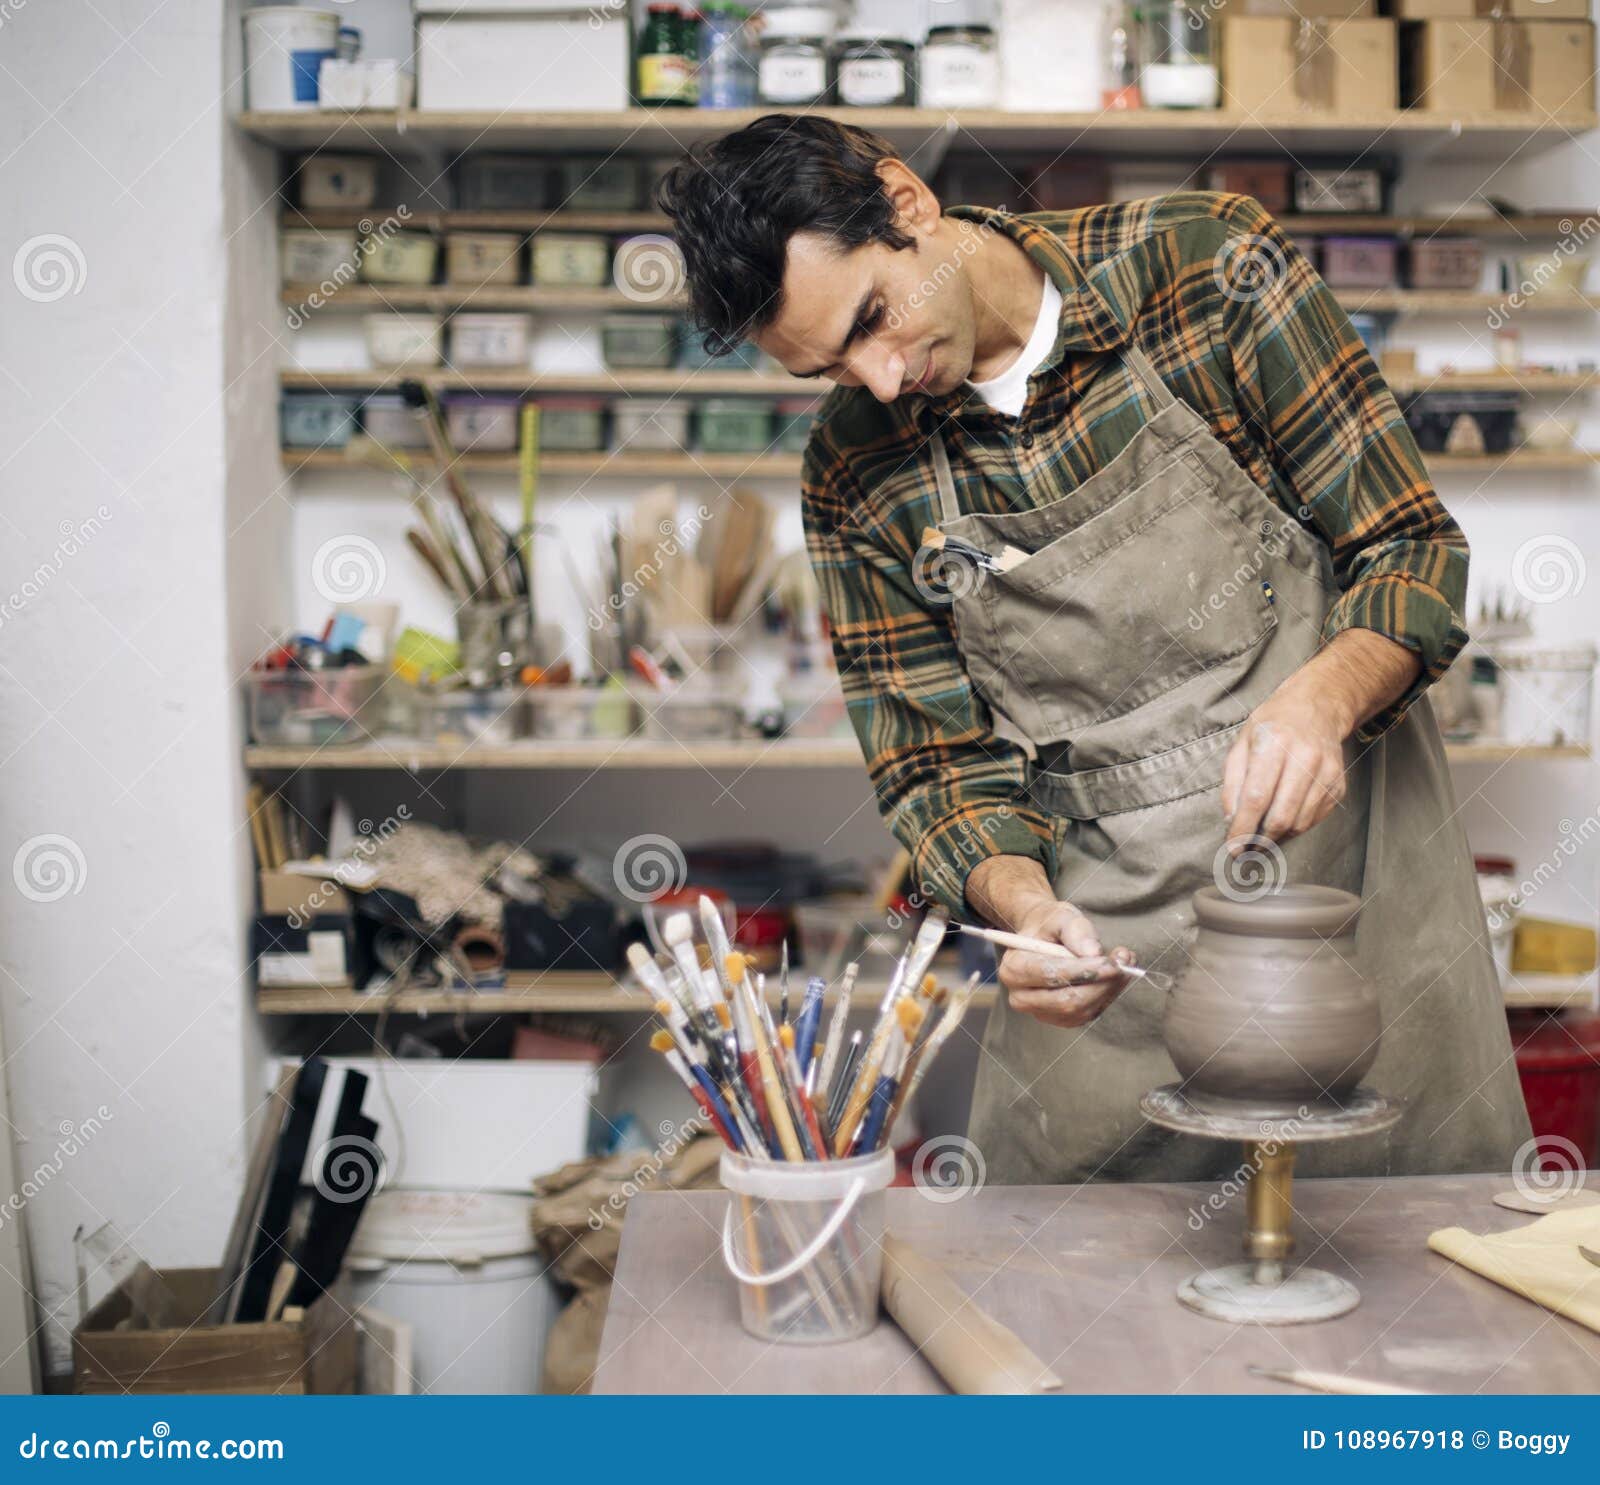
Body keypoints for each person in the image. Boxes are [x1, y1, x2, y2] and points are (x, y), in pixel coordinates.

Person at [658, 115, 1529, 1183]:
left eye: (873, 319)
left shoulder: (1206, 273)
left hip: (1356, 892)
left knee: (1408, 1263)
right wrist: (1022, 912)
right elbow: (936, 766)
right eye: (829, 366)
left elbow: (1408, 544)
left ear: (905, 202)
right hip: (1105, 950)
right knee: (1071, 1301)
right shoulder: (856, 467)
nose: (879, 380)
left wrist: (1325, 698)